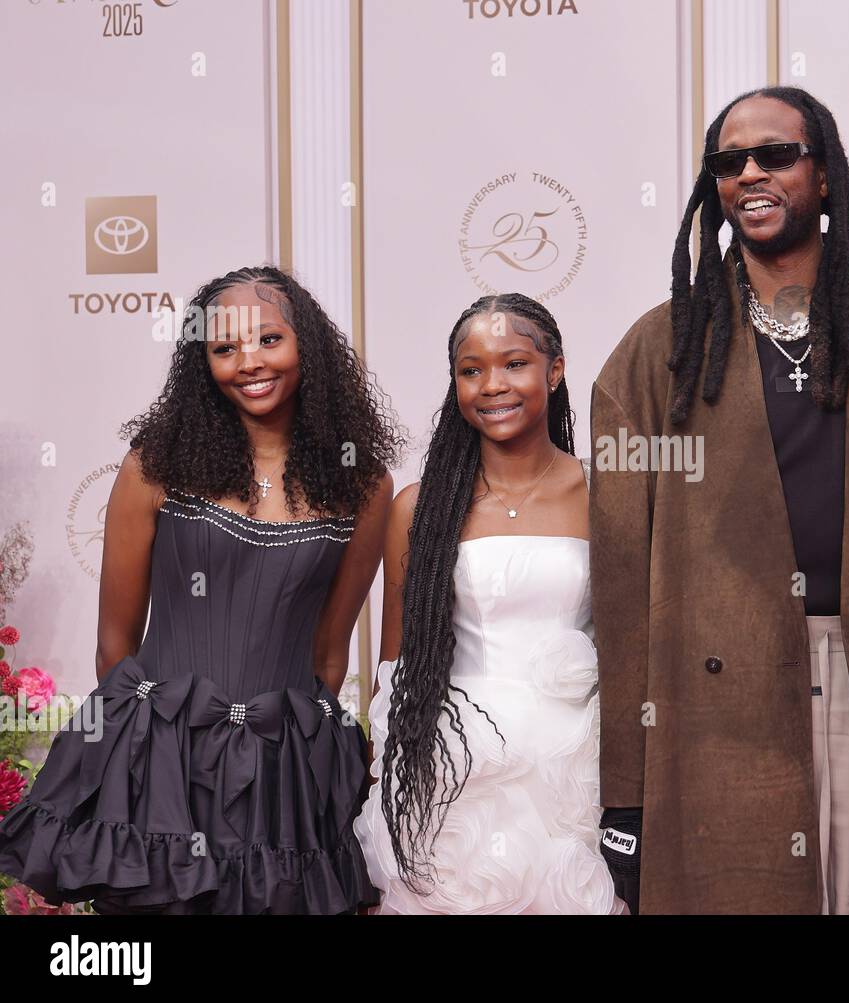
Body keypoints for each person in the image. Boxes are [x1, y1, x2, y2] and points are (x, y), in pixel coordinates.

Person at [589, 86, 849, 914]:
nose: (750, 173)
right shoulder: (654, 353)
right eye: (728, 161)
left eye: (776, 154)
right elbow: (621, 591)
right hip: (707, 696)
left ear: (824, 174)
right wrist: (624, 785)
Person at [0, 266, 400, 913]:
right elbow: (114, 648)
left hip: (283, 772)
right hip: (160, 766)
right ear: (201, 360)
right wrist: (140, 768)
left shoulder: (363, 483)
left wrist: (303, 777)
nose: (249, 361)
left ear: (308, 346)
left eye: (269, 339)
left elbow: (330, 654)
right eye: (224, 347)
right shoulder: (155, 464)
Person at [353, 294, 622, 914]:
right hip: (449, 776)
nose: (492, 385)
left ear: (554, 372)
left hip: (574, 775)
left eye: (515, 364)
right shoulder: (419, 507)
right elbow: (395, 665)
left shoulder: (605, 491)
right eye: (471, 370)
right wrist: (381, 790)